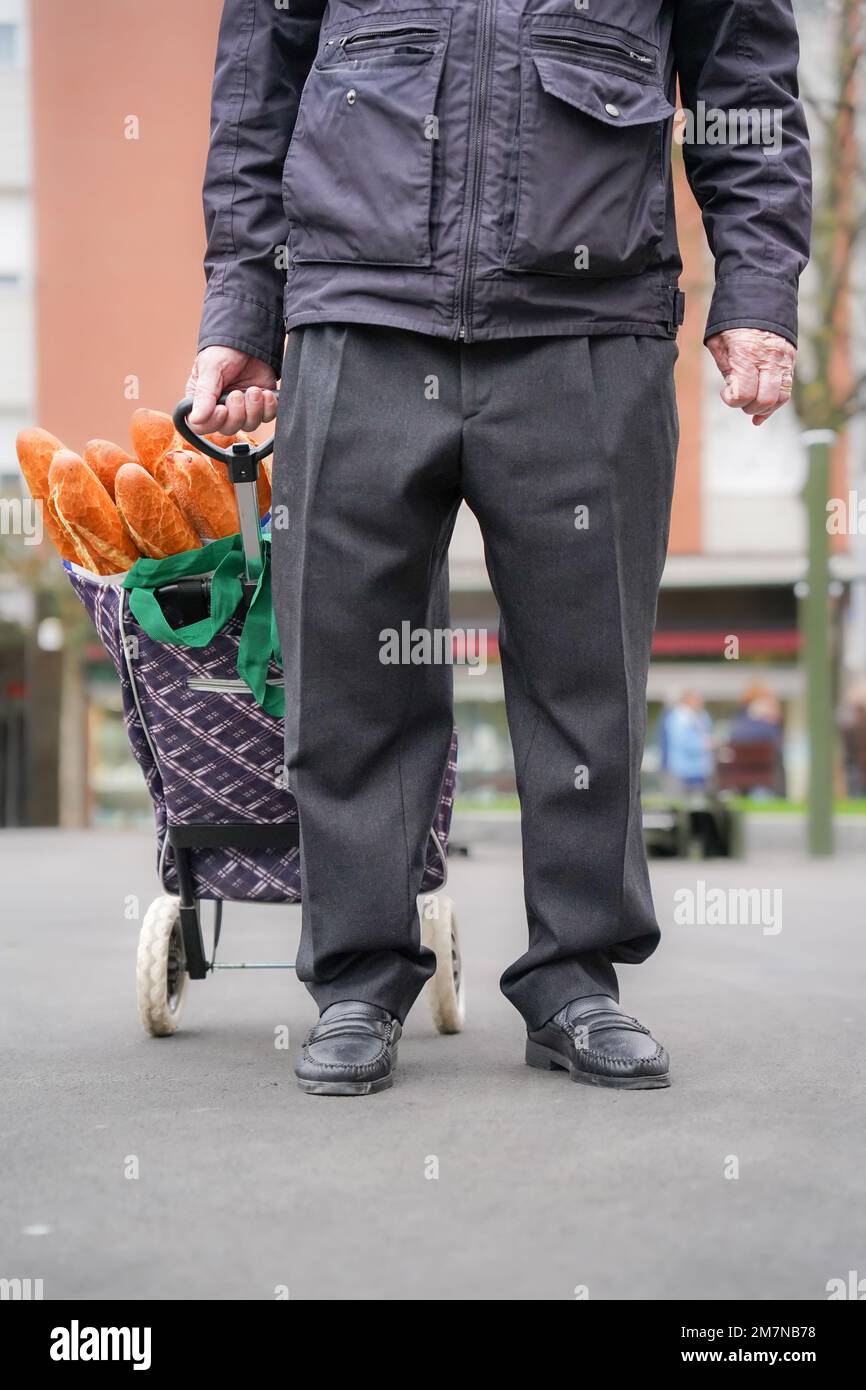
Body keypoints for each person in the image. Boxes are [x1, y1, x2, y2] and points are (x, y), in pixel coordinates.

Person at [187, 2, 811, 1095]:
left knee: (588, 674)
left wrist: (753, 293)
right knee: (347, 672)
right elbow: (258, 82)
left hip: (588, 318)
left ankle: (574, 978)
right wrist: (241, 306)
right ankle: (356, 979)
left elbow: (742, 83)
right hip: (360, 309)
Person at [663, 692, 715, 794]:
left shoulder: (701, 716)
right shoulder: (679, 718)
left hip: (700, 769)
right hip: (683, 770)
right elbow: (681, 742)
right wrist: (704, 744)